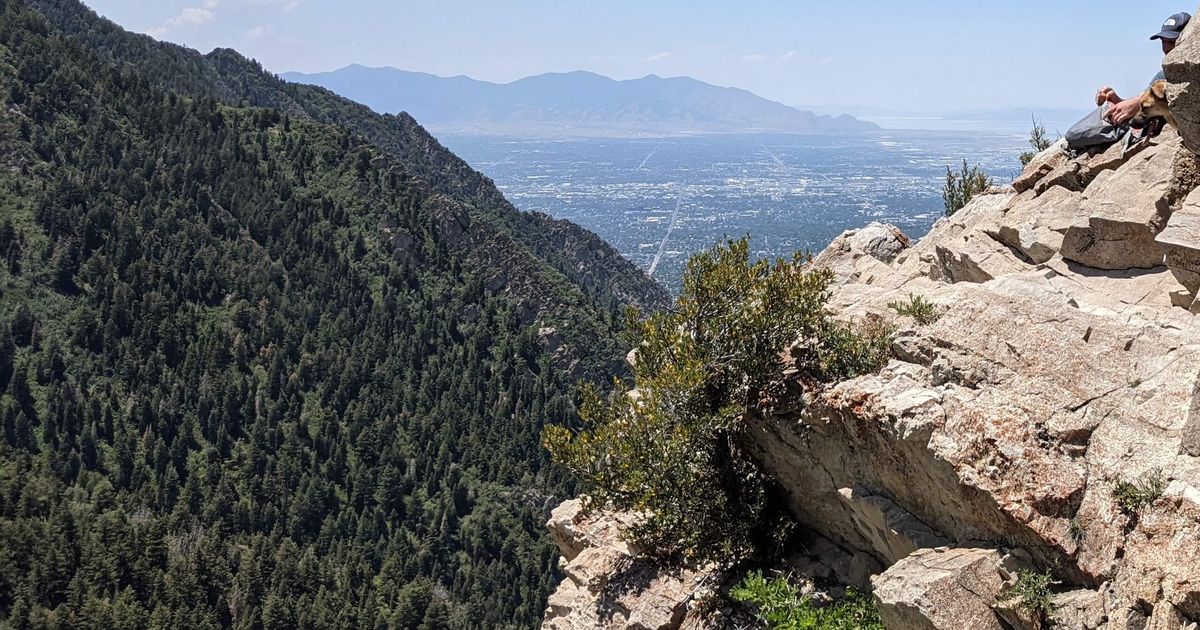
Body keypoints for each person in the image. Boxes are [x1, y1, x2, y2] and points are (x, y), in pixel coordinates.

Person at [1095, 12, 1191, 125]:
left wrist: (1137, 103)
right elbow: (1146, 101)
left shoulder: (1193, 71)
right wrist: (1116, 101)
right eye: (1163, 41)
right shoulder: (1162, 75)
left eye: (1171, 41)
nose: (1166, 48)